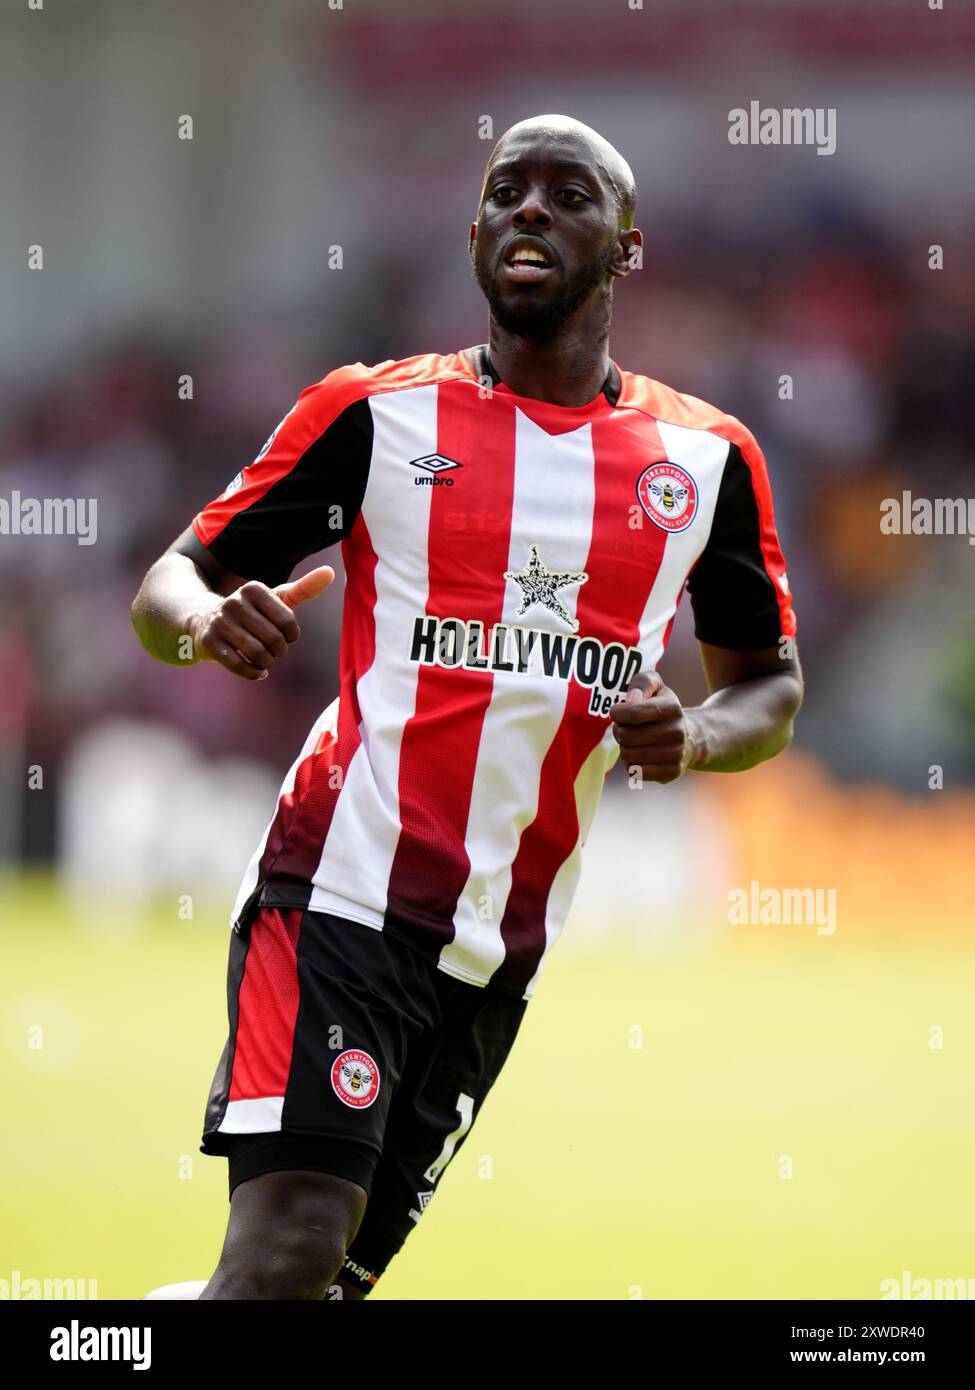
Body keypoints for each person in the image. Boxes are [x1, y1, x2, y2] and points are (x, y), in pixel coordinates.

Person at [132, 114, 803, 1300]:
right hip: (335, 889)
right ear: (476, 231)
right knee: (286, 1254)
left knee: (326, 1285)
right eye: (506, 192)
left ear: (627, 248)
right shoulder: (372, 414)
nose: (530, 211)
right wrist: (203, 622)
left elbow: (771, 685)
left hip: (499, 947)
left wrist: (696, 735)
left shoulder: (704, 462)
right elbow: (166, 582)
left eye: (568, 194)